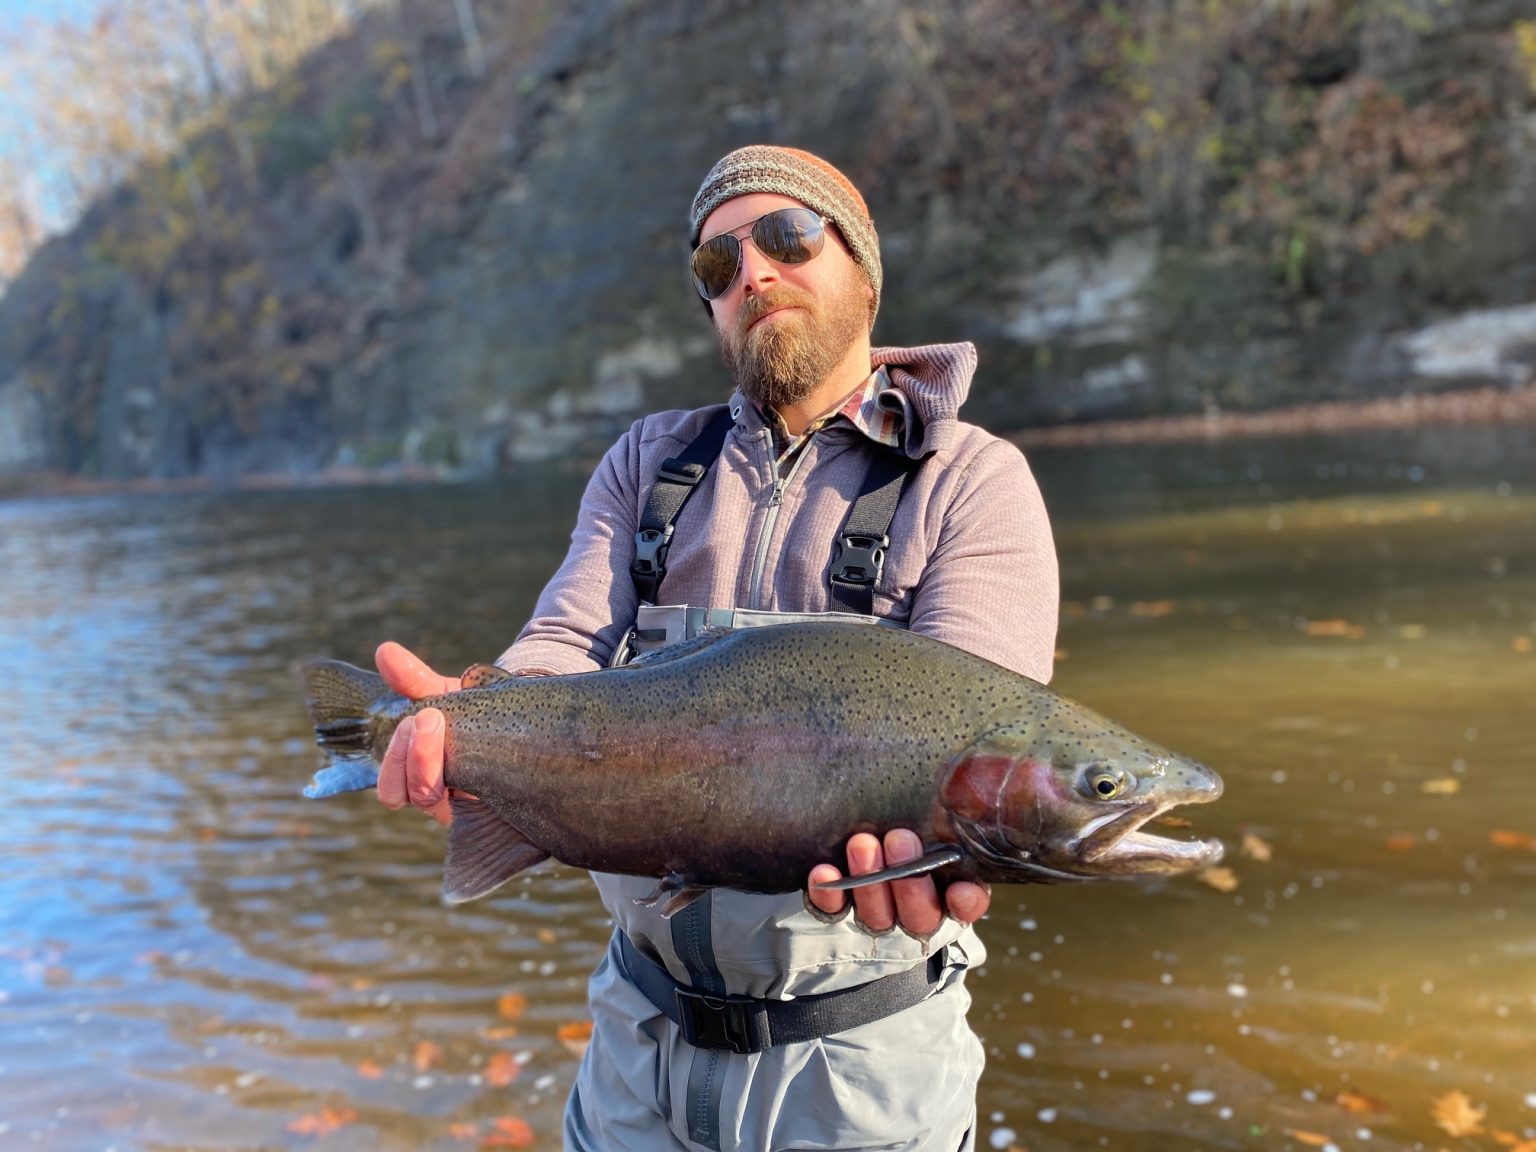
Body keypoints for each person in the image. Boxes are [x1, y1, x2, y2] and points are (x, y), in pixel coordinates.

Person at [374, 145, 1059, 1151]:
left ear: (864, 272)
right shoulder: (647, 463)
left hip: (860, 1065)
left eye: (788, 238)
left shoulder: (969, 481)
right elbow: (563, 641)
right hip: (637, 1041)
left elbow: (977, 742)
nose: (754, 274)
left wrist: (944, 843)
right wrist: (475, 728)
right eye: (716, 265)